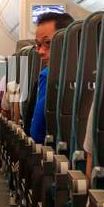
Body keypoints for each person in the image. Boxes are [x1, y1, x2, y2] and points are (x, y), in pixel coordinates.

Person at [29, 11, 75, 144]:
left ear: (67, 40)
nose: (41, 52)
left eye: (48, 43)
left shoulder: (49, 75)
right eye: (38, 45)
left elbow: (36, 132)